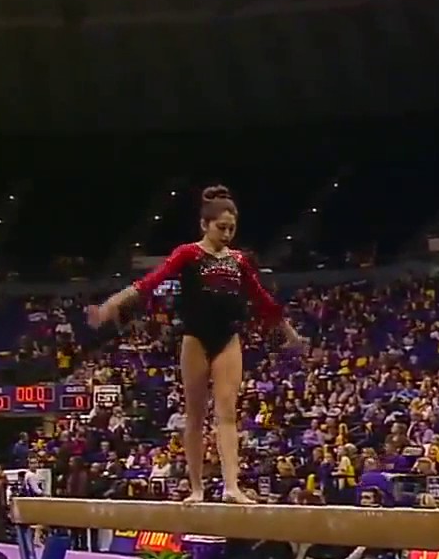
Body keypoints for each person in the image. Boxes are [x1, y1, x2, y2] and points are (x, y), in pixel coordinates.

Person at [87, 185, 306, 504]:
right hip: (195, 339)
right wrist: (111, 305)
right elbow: (150, 282)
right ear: (204, 224)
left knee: (227, 413)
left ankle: (231, 487)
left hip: (228, 338)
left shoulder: (239, 261)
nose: (227, 234)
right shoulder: (187, 253)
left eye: (232, 229)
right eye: (221, 228)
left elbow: (264, 301)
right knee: (195, 416)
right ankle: (197, 488)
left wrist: (291, 334)